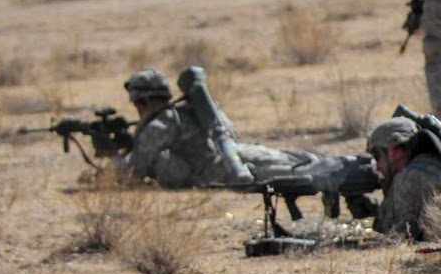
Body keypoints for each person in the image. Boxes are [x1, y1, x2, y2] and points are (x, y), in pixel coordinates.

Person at [124, 68, 360, 196]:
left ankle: (354, 174)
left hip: (225, 171)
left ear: (143, 102)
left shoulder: (161, 124)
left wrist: (115, 160)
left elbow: (133, 172)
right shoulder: (190, 110)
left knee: (297, 173)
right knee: (301, 159)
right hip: (239, 152)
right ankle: (354, 163)